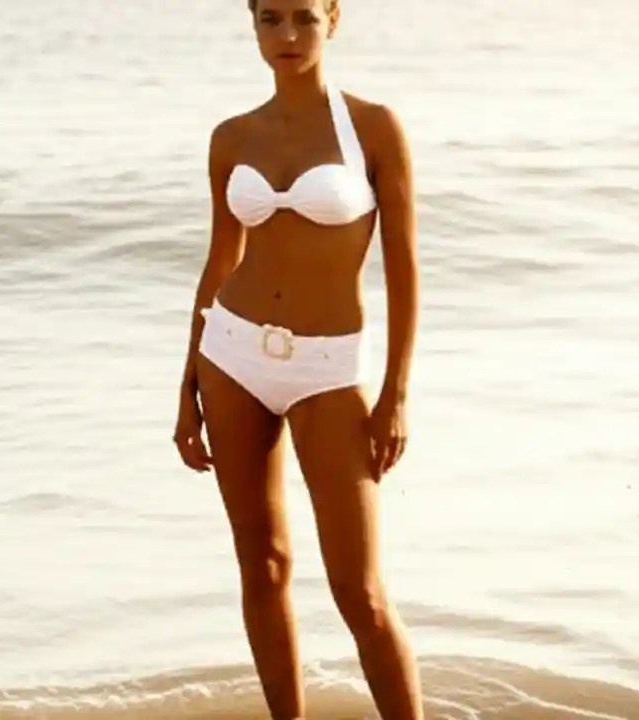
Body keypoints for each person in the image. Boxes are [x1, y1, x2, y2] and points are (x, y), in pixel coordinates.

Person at [173, 0, 423, 717]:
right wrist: (186, 382)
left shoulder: (374, 128)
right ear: (251, 24)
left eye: (304, 18)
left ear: (334, 20)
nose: (287, 36)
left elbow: (404, 271)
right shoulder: (231, 137)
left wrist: (395, 395)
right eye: (270, 19)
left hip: (328, 368)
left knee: (361, 591)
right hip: (231, 356)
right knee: (264, 564)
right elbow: (221, 261)